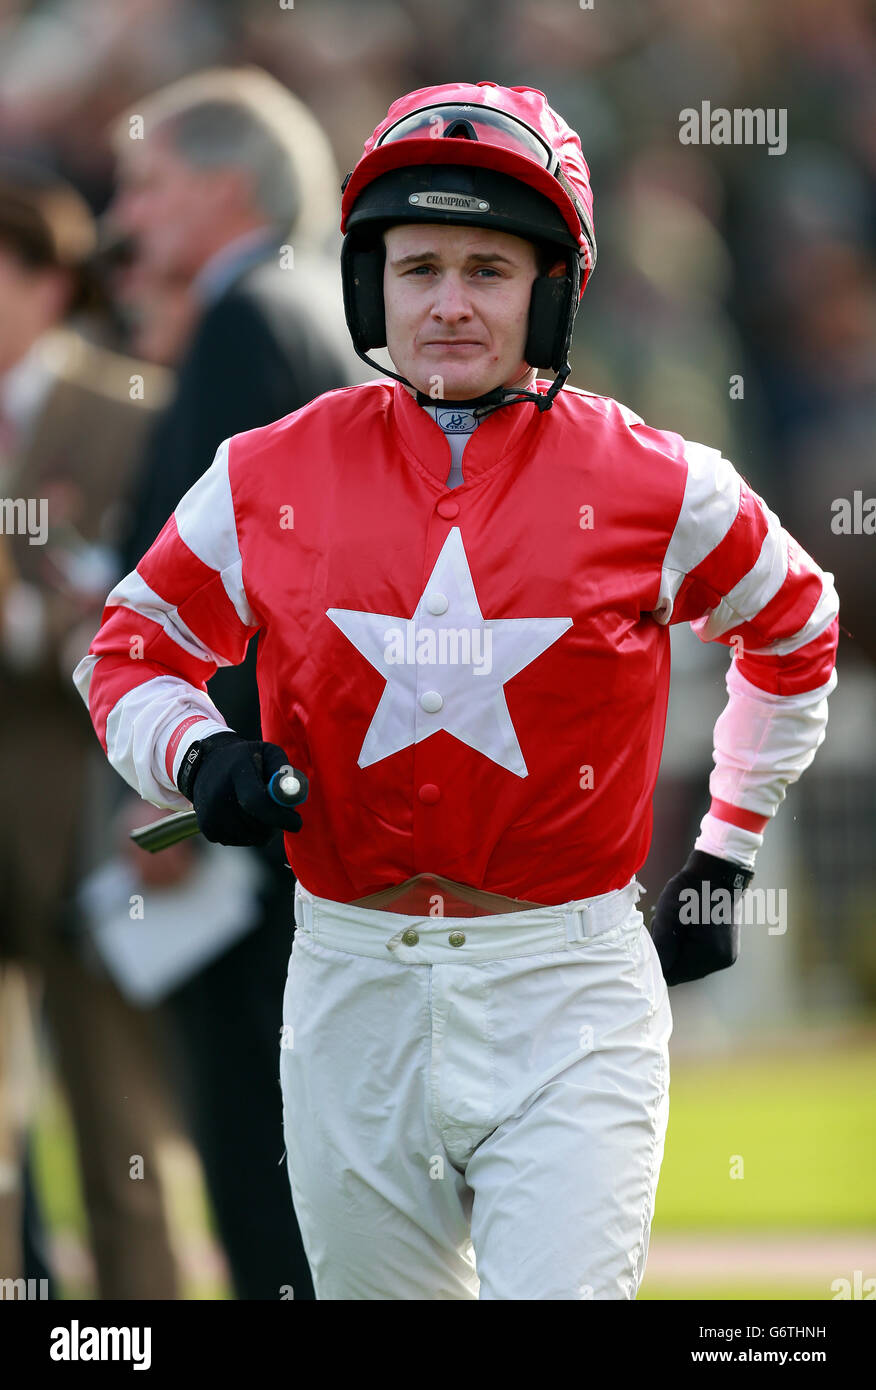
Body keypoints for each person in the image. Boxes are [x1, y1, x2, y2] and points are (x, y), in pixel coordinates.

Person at [73, 81, 840, 1301]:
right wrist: (199, 756)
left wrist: (729, 850)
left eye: (488, 268)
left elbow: (798, 628)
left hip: (567, 989)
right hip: (347, 984)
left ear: (551, 291)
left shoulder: (661, 482)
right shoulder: (266, 469)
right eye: (418, 264)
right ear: (369, 282)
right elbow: (125, 651)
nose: (447, 303)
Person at [100, 66, 366, 1300]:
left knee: (266, 1178)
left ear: (220, 187)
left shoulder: (249, 314)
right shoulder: (318, 309)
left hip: (250, 819)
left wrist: (182, 785)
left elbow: (230, 600)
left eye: (148, 186)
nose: (126, 219)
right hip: (309, 808)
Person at [0, 166, 179, 1298]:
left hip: (81, 816)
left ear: (44, 282)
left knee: (121, 1136)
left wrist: (30, 621)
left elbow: (152, 610)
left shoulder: (131, 409)